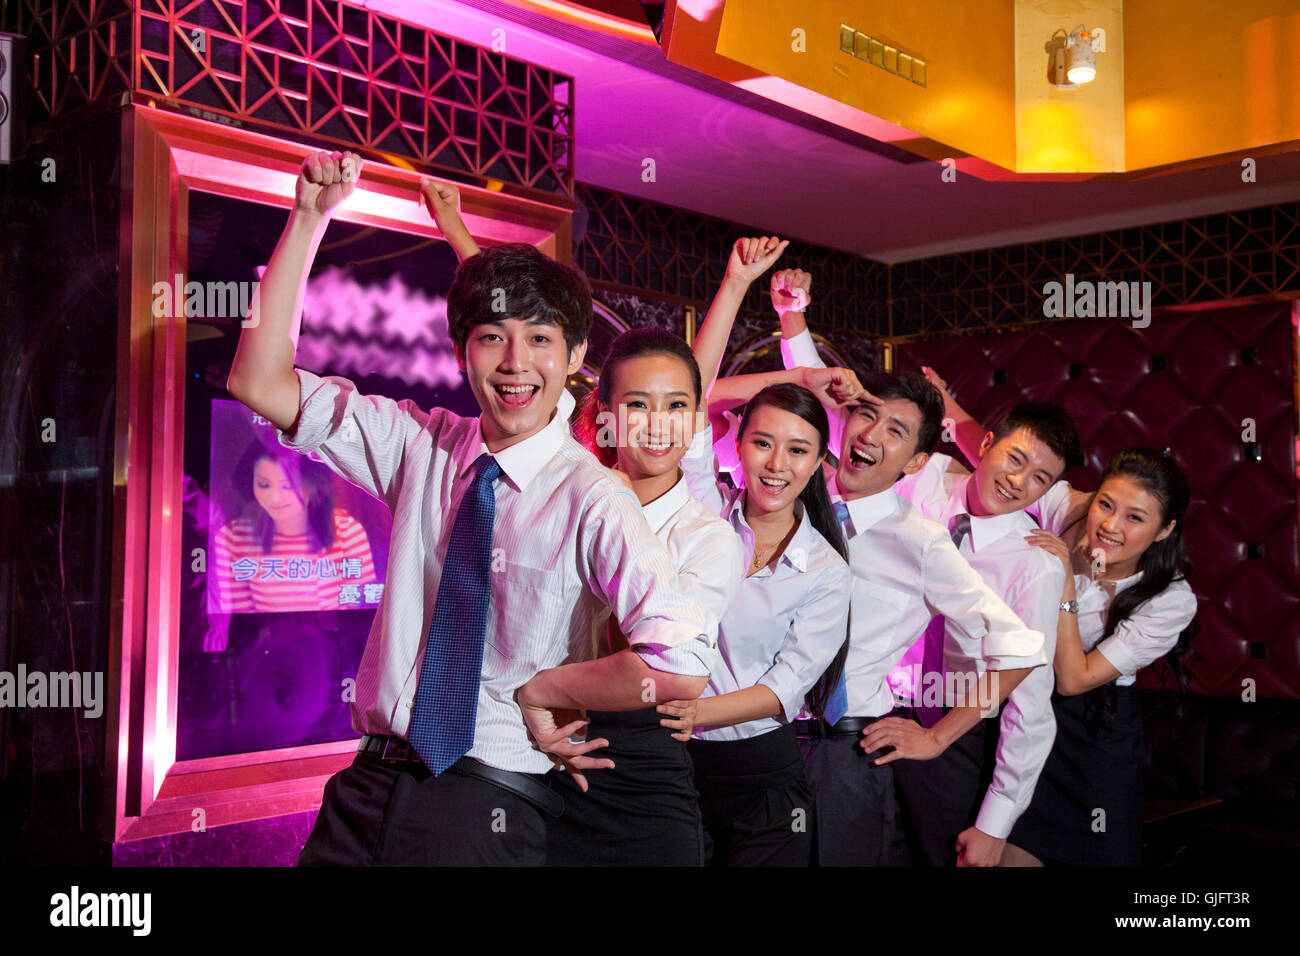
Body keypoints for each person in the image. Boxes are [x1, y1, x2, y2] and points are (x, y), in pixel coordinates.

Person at [226, 150, 719, 865]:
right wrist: (307, 218)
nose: (516, 362)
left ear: (574, 352)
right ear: (463, 351)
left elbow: (678, 664)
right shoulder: (420, 446)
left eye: (541, 340)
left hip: (487, 801)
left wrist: (549, 688)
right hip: (365, 788)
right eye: (492, 337)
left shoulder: (593, 496)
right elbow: (259, 380)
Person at [776, 279, 1079, 867]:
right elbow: (837, 416)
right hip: (867, 719)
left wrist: (993, 823)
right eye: (1014, 459)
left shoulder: (1030, 562)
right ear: (982, 444)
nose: (1018, 481)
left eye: (1038, 479)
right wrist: (792, 320)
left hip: (952, 734)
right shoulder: (922, 475)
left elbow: (1029, 701)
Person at [651, 238, 853, 866]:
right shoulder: (702, 512)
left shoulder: (825, 569)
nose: (777, 464)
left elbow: (782, 688)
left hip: (760, 772)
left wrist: (691, 712)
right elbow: (690, 392)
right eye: (762, 443)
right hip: (669, 761)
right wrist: (735, 283)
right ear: (735, 443)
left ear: (819, 463)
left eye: (798, 450)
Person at [539, 327, 743, 866]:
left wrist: (621, 515)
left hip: (640, 769)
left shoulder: (709, 538)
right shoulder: (565, 491)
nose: (658, 425)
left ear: (698, 417)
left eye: (677, 405)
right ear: (604, 411)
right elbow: (520, 371)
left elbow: (663, 662)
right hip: (534, 755)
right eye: (637, 404)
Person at [1006, 448, 1198, 865]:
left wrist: (1065, 589)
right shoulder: (1073, 512)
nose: (1109, 525)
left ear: (1164, 530)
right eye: (1105, 504)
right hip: (1024, 714)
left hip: (1093, 732)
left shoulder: (1169, 599)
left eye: (1135, 517)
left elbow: (1074, 679)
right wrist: (942, 404)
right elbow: (1004, 466)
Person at [211, 440, 377, 613]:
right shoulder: (232, 537)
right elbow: (241, 623)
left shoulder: (348, 532)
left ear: (313, 484)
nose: (275, 498)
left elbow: (355, 611)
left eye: (288, 485)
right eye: (264, 485)